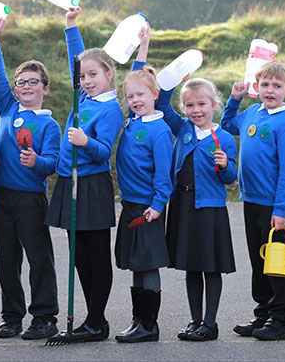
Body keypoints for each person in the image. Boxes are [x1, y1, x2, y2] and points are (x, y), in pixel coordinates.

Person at [45, 6, 124, 341]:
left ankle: (95, 320)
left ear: (109, 74)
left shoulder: (111, 109)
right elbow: (75, 60)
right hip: (69, 182)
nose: (87, 81)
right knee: (78, 256)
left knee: (96, 254)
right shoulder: (83, 98)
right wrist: (70, 25)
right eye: (83, 77)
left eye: (94, 75)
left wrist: (85, 141)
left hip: (92, 184)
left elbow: (104, 151)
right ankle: (94, 320)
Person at [0, 18, 61, 341]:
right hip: (0, 197)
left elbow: (53, 164)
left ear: (45, 88)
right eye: (21, 82)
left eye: (33, 82)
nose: (26, 86)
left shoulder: (50, 126)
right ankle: (11, 317)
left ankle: (44, 317)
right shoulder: (7, 108)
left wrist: (36, 161)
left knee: (39, 259)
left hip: (31, 200)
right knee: (7, 261)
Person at [220, 60, 285, 341]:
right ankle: (263, 315)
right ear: (256, 87)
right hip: (251, 200)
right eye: (265, 85)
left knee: (277, 263)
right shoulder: (252, 112)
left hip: (272, 206)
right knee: (259, 261)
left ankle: (280, 321)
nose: (270, 90)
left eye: (277, 86)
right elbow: (227, 124)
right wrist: (235, 99)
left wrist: (280, 209)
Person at [157, 77, 237, 342]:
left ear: (214, 104)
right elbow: (162, 106)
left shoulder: (225, 138)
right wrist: (171, 79)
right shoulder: (183, 128)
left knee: (210, 267)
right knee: (191, 265)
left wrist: (225, 165)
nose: (196, 110)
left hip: (210, 210)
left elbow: (230, 178)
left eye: (202, 104)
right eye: (189, 105)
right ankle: (195, 320)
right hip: (183, 207)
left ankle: (210, 323)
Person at [113, 34, 174, 342]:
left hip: (149, 207)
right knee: (136, 264)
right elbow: (136, 72)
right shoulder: (131, 121)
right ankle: (138, 320)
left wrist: (158, 205)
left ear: (155, 94)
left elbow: (164, 176)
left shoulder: (159, 130)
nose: (135, 100)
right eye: (130, 96)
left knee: (148, 266)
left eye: (141, 94)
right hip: (130, 205)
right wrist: (143, 47)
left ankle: (150, 325)